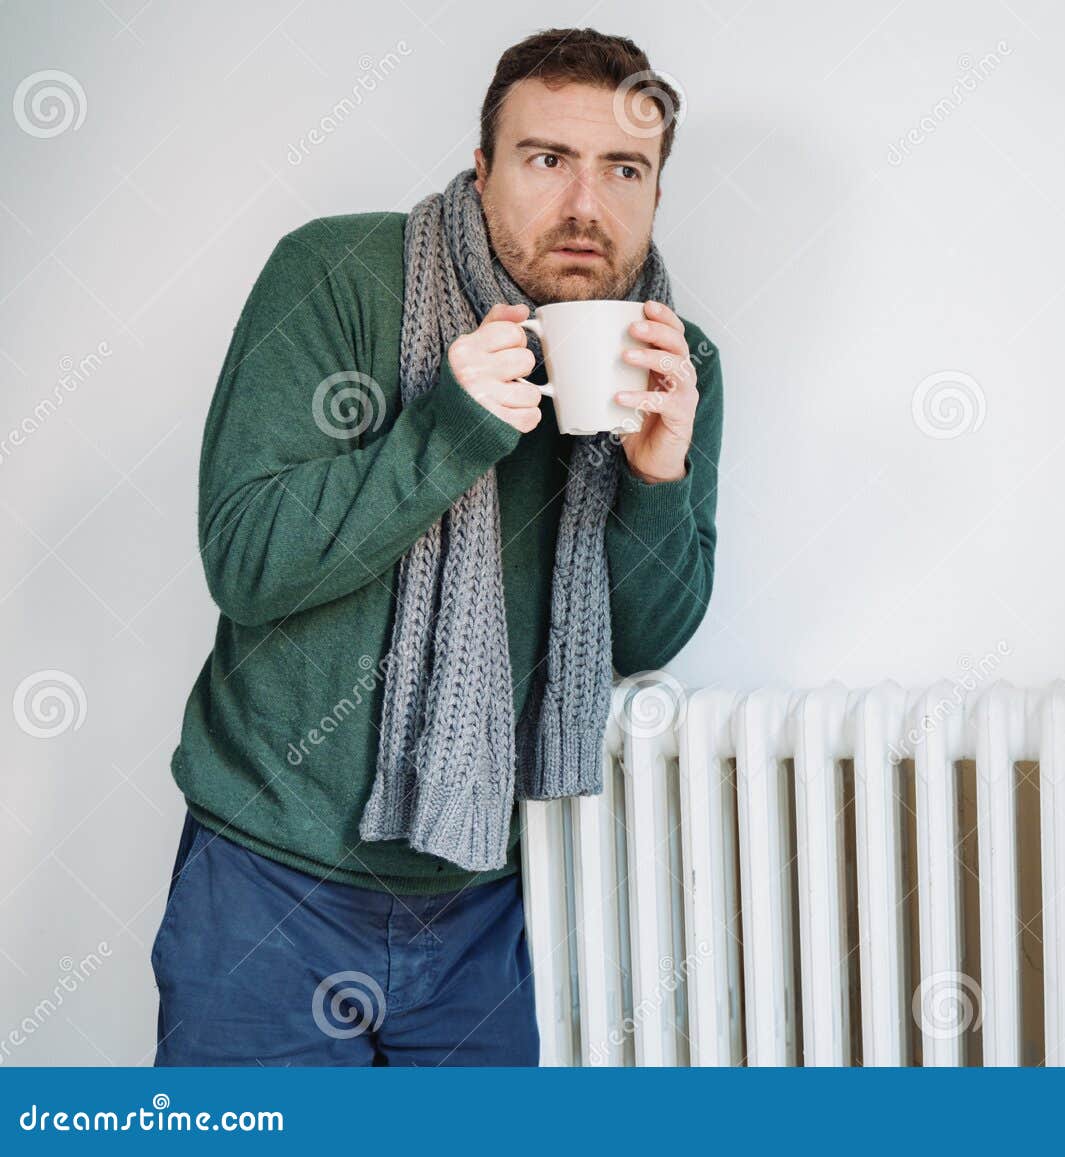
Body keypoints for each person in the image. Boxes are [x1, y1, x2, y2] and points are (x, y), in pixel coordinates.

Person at [151, 27, 721, 1066]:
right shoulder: (337, 274)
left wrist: (655, 478)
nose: (585, 207)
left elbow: (643, 634)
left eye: (624, 171)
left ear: (655, 194)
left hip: (475, 897)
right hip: (267, 886)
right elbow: (245, 558)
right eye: (547, 160)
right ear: (483, 169)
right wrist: (450, 429)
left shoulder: (673, 359)